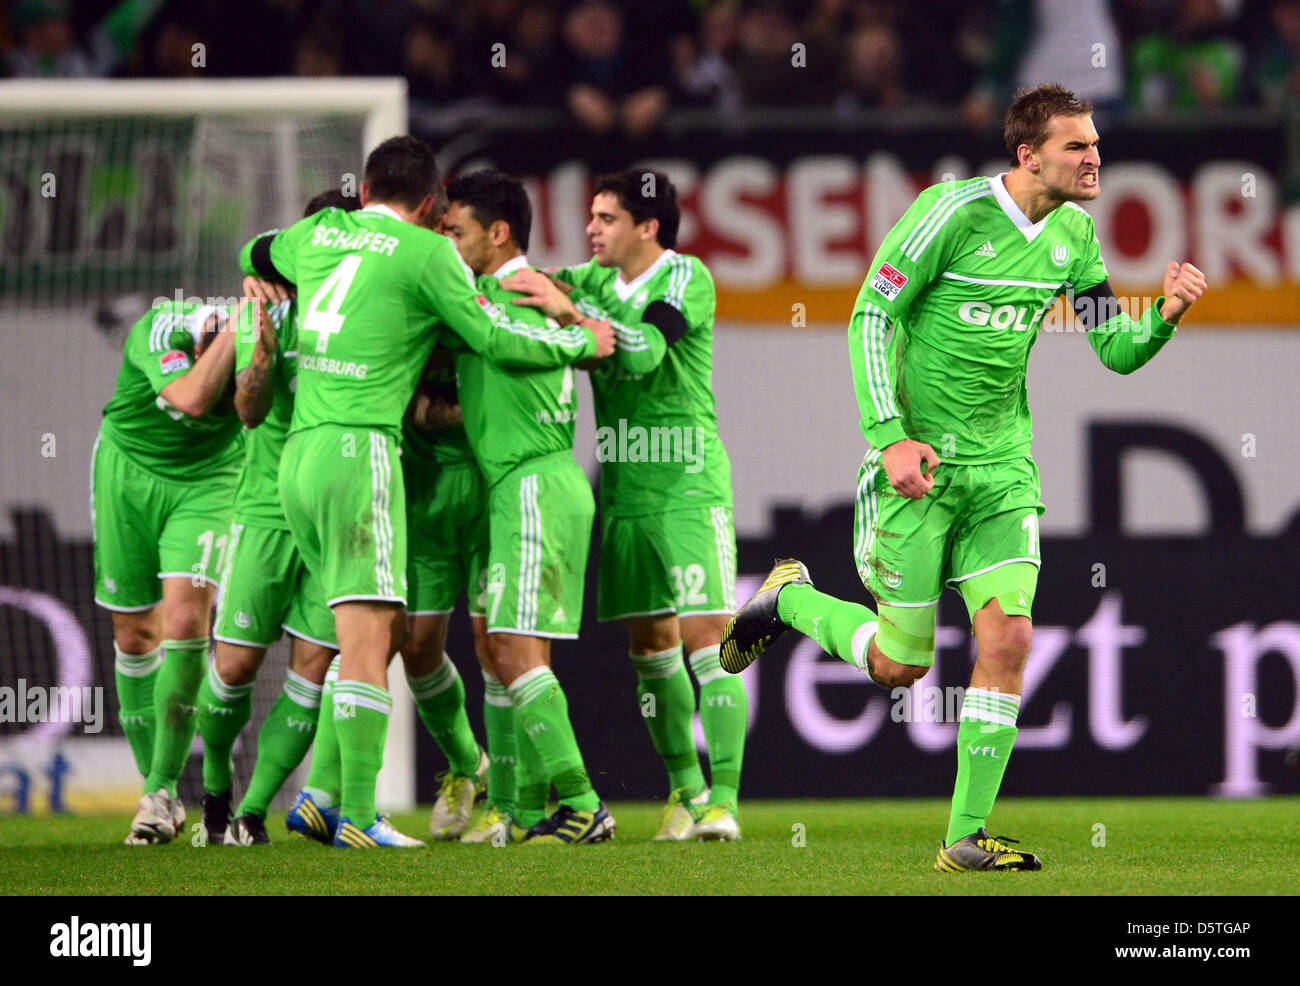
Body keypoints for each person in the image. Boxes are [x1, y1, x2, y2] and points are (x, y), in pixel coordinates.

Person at [722, 83, 1207, 872]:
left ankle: (963, 837)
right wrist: (889, 439)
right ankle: (791, 599)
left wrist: (1167, 313)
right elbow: (870, 318)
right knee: (899, 667)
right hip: (919, 468)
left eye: (1094, 144)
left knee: (1009, 635)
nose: (1094, 158)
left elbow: (1114, 349)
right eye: (1075, 146)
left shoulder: (1076, 238)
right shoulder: (950, 212)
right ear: (1028, 153)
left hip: (1003, 471)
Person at [238, 135, 612, 848]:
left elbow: (255, 251)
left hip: (301, 457)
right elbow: (494, 339)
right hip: (368, 454)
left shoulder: (319, 232)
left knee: (374, 639)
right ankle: (361, 813)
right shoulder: (429, 257)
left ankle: (392, 797)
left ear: (367, 184)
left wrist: (263, 278)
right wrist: (577, 339)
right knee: (377, 637)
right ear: (430, 200)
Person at [523, 169, 747, 841]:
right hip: (623, 488)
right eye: (591, 216)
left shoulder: (687, 279)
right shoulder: (591, 280)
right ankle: (686, 791)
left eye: (607, 218)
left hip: (685, 484)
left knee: (710, 639)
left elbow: (647, 352)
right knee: (650, 647)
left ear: (648, 228)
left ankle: (725, 803)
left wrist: (568, 312)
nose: (591, 228)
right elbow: (518, 285)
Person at [441, 168, 616, 844]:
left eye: (457, 232)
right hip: (512, 487)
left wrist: (579, 333)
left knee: (514, 649)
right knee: (498, 649)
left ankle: (581, 802)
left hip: (536, 485)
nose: (449, 244)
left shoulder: (509, 297)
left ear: (498, 232)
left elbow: (505, 342)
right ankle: (512, 810)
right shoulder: (520, 291)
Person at [197, 190, 358, 847]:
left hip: (329, 514)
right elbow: (249, 412)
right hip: (265, 512)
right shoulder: (261, 315)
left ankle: (252, 814)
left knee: (313, 667)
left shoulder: (363, 319)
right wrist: (260, 354)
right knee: (233, 668)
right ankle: (213, 788)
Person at [92, 295, 244, 844]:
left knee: (185, 625)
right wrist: (239, 329)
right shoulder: (162, 328)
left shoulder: (263, 348)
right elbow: (193, 399)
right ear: (200, 342)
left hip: (209, 482)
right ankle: (157, 788)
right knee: (135, 634)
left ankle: (159, 790)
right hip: (128, 471)